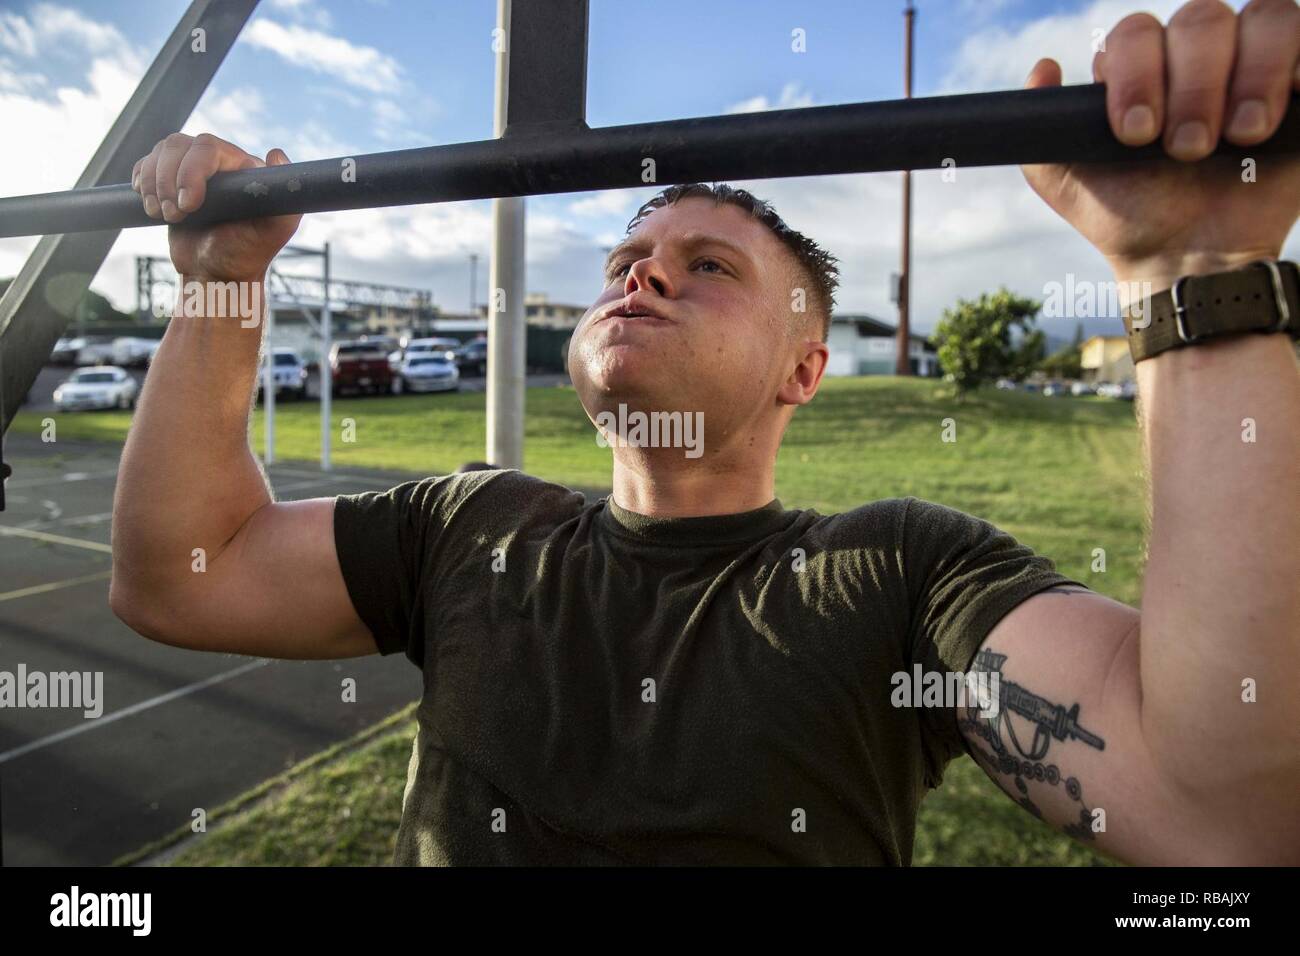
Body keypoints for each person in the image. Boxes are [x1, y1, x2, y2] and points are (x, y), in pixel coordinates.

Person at [111, 0, 1300, 865]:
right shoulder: (464, 525)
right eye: (626, 260)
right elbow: (179, 576)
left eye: (708, 264)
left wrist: (1193, 267)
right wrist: (220, 280)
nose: (643, 277)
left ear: (805, 365)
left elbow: (1218, 811)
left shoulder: (899, 575)